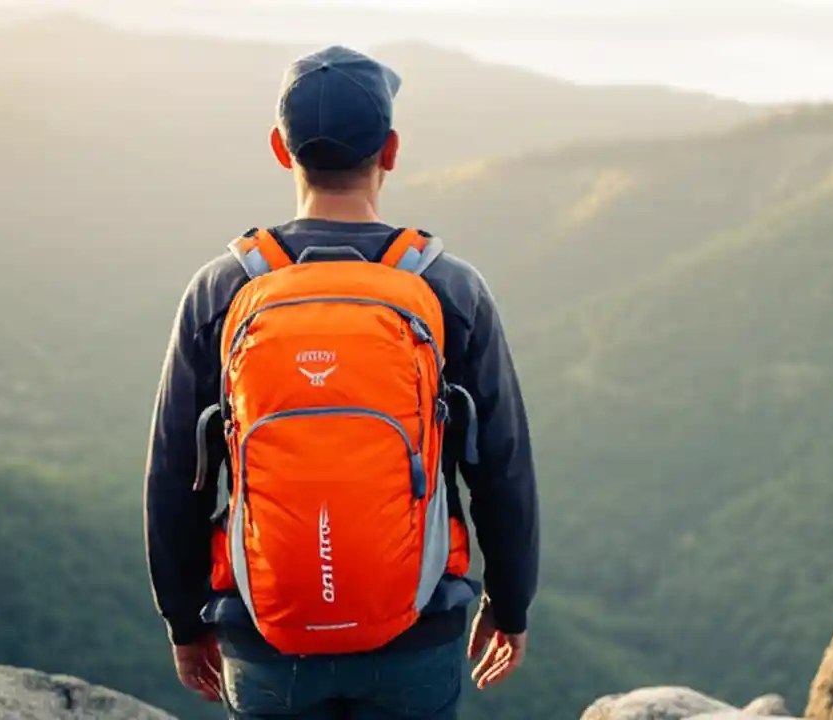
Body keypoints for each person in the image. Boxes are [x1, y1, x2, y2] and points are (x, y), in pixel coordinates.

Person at [144, 45, 538, 720]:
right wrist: (509, 602)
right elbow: (500, 466)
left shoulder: (223, 289)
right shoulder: (448, 288)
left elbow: (178, 471)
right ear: (390, 150)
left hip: (267, 629)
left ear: (279, 147)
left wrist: (184, 620)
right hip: (417, 622)